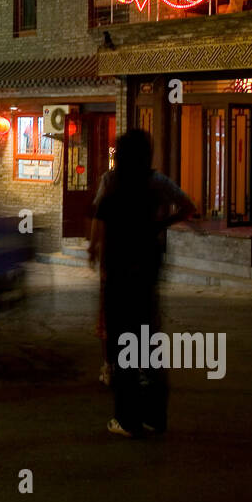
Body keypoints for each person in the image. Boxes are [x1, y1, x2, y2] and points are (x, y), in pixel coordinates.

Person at [89, 129, 197, 438]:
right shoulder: (155, 184)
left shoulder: (113, 185)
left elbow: (103, 227)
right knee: (148, 345)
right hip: (147, 273)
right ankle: (155, 418)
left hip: (119, 277)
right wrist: (161, 224)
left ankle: (127, 420)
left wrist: (96, 255)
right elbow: (187, 206)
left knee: (123, 346)